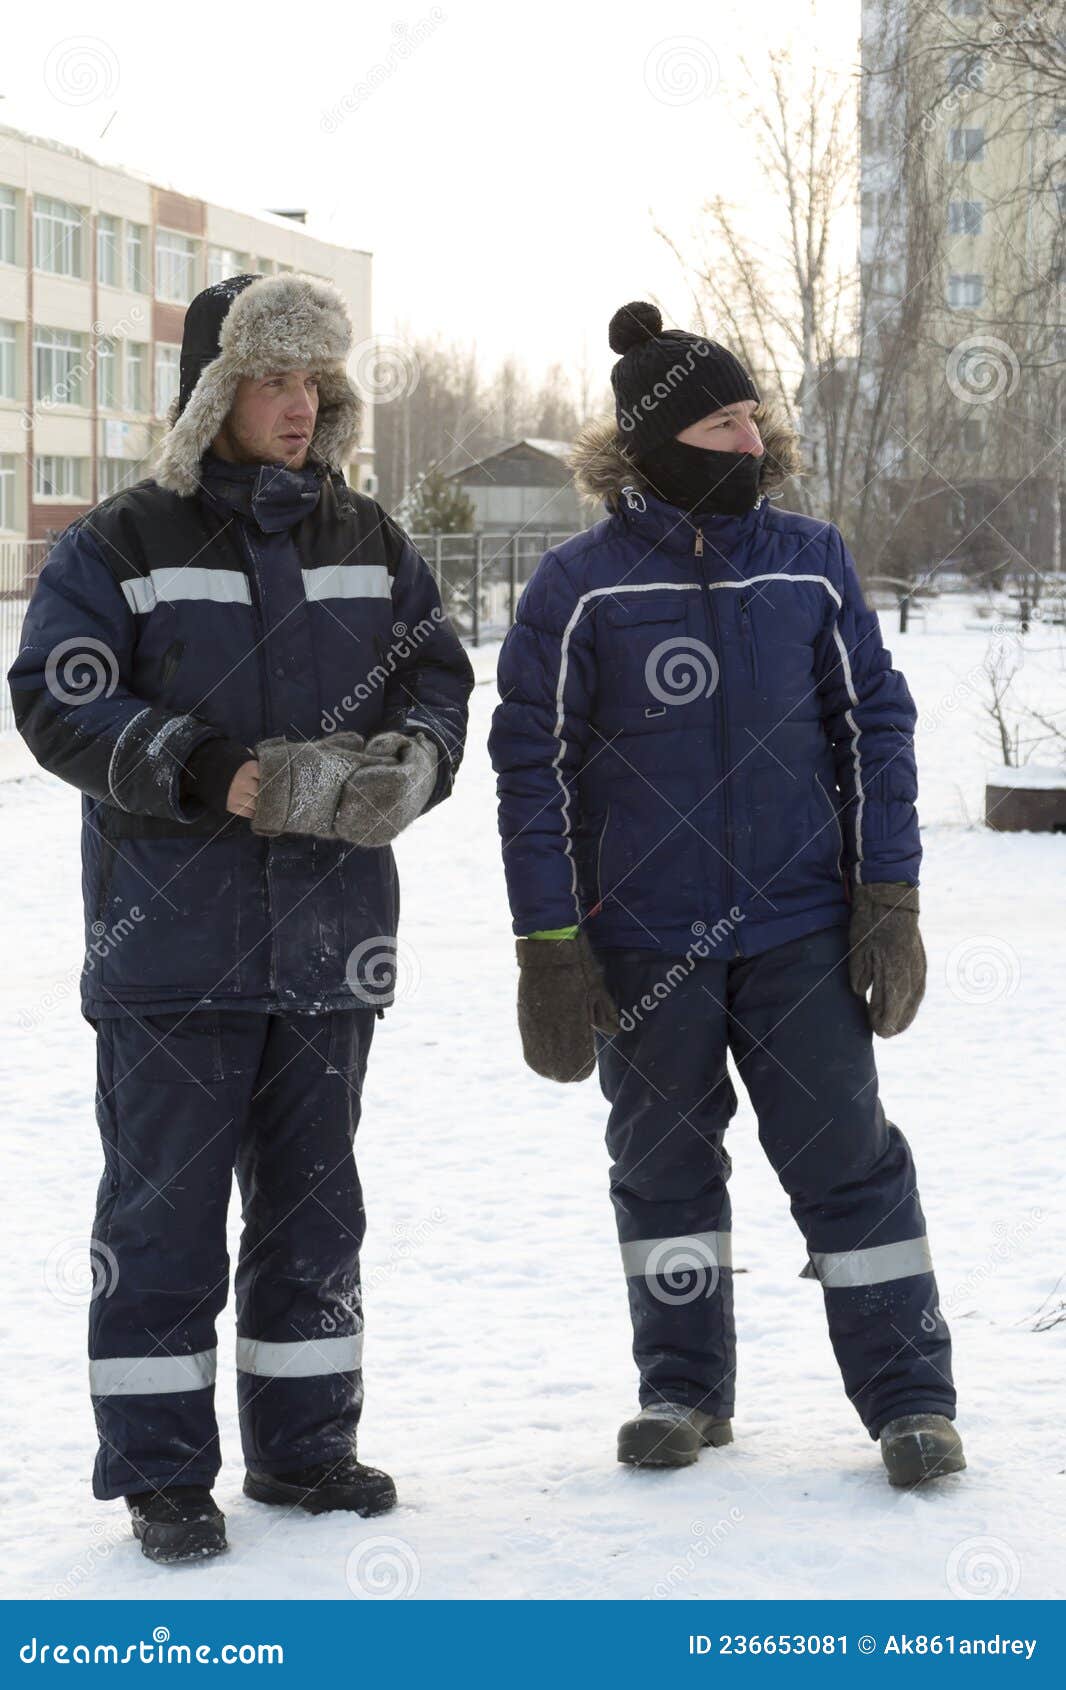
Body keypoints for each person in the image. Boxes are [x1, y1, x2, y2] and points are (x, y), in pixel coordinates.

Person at [8, 272, 474, 1562]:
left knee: (315, 1209)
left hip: (329, 946)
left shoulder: (369, 538)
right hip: (170, 954)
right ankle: (161, 1473)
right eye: (274, 379)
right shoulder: (122, 540)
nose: (300, 403)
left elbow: (439, 674)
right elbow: (57, 696)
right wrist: (217, 770)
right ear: (215, 390)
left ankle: (306, 1447)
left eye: (315, 380)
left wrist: (412, 765)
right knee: (161, 1217)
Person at [488, 300, 963, 1489]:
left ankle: (910, 1403)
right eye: (721, 421)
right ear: (655, 443)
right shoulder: (576, 590)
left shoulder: (809, 561)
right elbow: (529, 775)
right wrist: (549, 944)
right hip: (643, 944)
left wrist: (887, 894)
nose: (750, 441)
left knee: (848, 1161)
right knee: (662, 1171)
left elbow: (876, 725)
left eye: (755, 417)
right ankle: (682, 1391)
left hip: (800, 930)